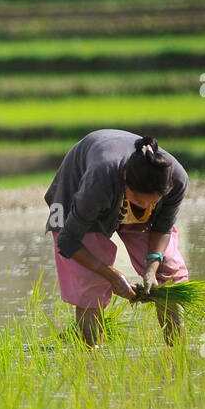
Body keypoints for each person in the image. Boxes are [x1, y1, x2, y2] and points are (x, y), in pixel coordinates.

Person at [45, 131, 188, 345]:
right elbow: (68, 242)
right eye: (140, 201)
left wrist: (152, 266)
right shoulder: (99, 182)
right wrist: (112, 275)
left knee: (167, 274)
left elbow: (162, 226)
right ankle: (90, 353)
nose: (147, 206)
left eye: (153, 202)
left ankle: (178, 352)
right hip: (80, 194)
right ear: (124, 181)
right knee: (92, 282)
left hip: (117, 191)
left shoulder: (176, 179)